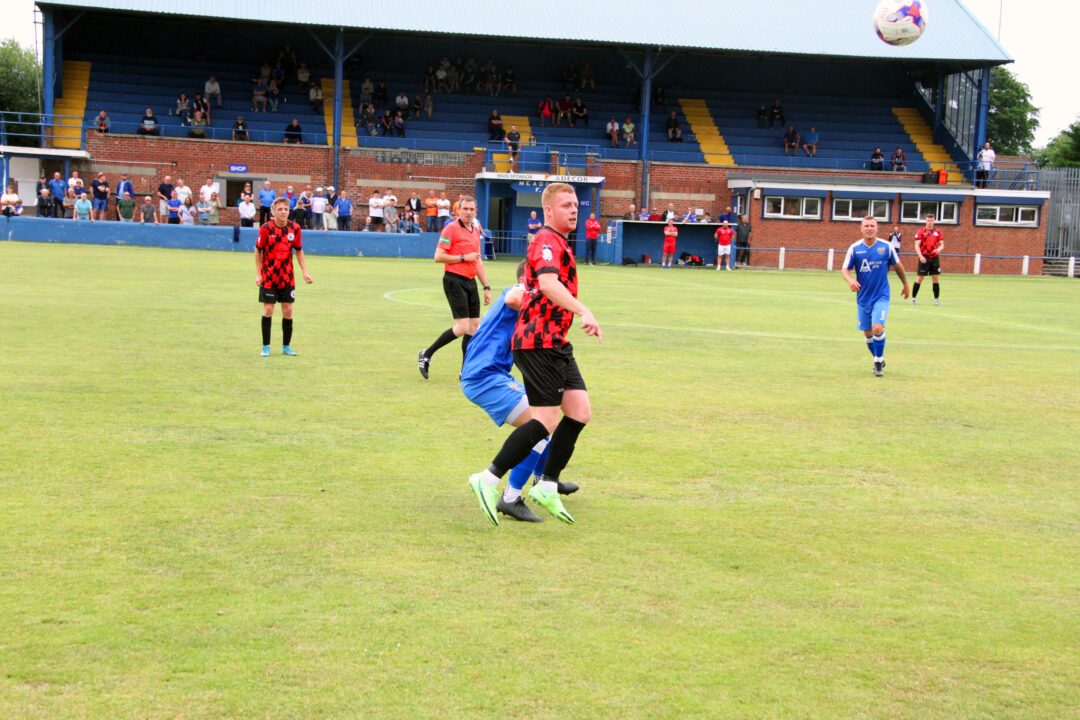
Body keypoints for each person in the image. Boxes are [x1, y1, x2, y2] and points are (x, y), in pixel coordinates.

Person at [467, 182, 602, 525]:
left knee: (579, 412)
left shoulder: (560, 242)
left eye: (576, 204)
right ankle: (489, 479)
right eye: (566, 205)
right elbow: (547, 283)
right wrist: (583, 311)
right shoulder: (545, 239)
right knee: (545, 421)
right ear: (549, 211)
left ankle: (547, 485)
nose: (574, 209)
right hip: (537, 343)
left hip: (556, 342)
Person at [461, 261, 577, 524]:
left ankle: (543, 481)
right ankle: (511, 496)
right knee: (540, 424)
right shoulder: (519, 289)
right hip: (484, 377)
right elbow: (514, 297)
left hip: (495, 374)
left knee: (547, 418)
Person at [417, 195, 491, 379]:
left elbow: (478, 260)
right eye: (465, 209)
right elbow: (438, 256)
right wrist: (463, 258)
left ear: (476, 211)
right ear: (458, 210)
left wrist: (486, 286)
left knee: (474, 327)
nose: (468, 212)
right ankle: (426, 354)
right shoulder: (451, 228)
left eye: (471, 209)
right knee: (462, 327)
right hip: (454, 280)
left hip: (470, 281)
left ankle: (464, 371)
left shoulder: (475, 230)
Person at [841, 217, 911, 377]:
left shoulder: (886, 247)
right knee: (868, 334)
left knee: (877, 328)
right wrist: (850, 281)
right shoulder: (855, 248)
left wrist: (906, 284)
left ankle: (878, 363)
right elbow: (844, 270)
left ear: (877, 228)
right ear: (861, 229)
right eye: (866, 226)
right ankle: (880, 357)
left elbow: (898, 266)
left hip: (881, 296)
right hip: (863, 297)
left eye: (872, 225)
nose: (869, 228)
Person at [256, 196, 313, 357]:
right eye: (280, 209)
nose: (283, 212)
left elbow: (299, 250)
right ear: (273, 211)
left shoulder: (295, 228)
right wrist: (258, 274)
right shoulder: (266, 228)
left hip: (287, 276)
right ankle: (266, 347)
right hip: (269, 276)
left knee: (288, 311)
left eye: (286, 209)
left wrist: (305, 272)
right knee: (268, 309)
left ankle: (286, 346)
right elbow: (258, 250)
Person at [912, 213, 944, 306]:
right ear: (926, 221)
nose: (930, 222)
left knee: (935, 278)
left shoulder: (938, 232)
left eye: (931, 220)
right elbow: (916, 245)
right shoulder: (921, 231)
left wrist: (939, 249)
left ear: (934, 221)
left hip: (934, 257)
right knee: (920, 278)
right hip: (924, 256)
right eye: (928, 220)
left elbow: (942, 244)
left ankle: (936, 299)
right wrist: (920, 256)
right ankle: (913, 298)